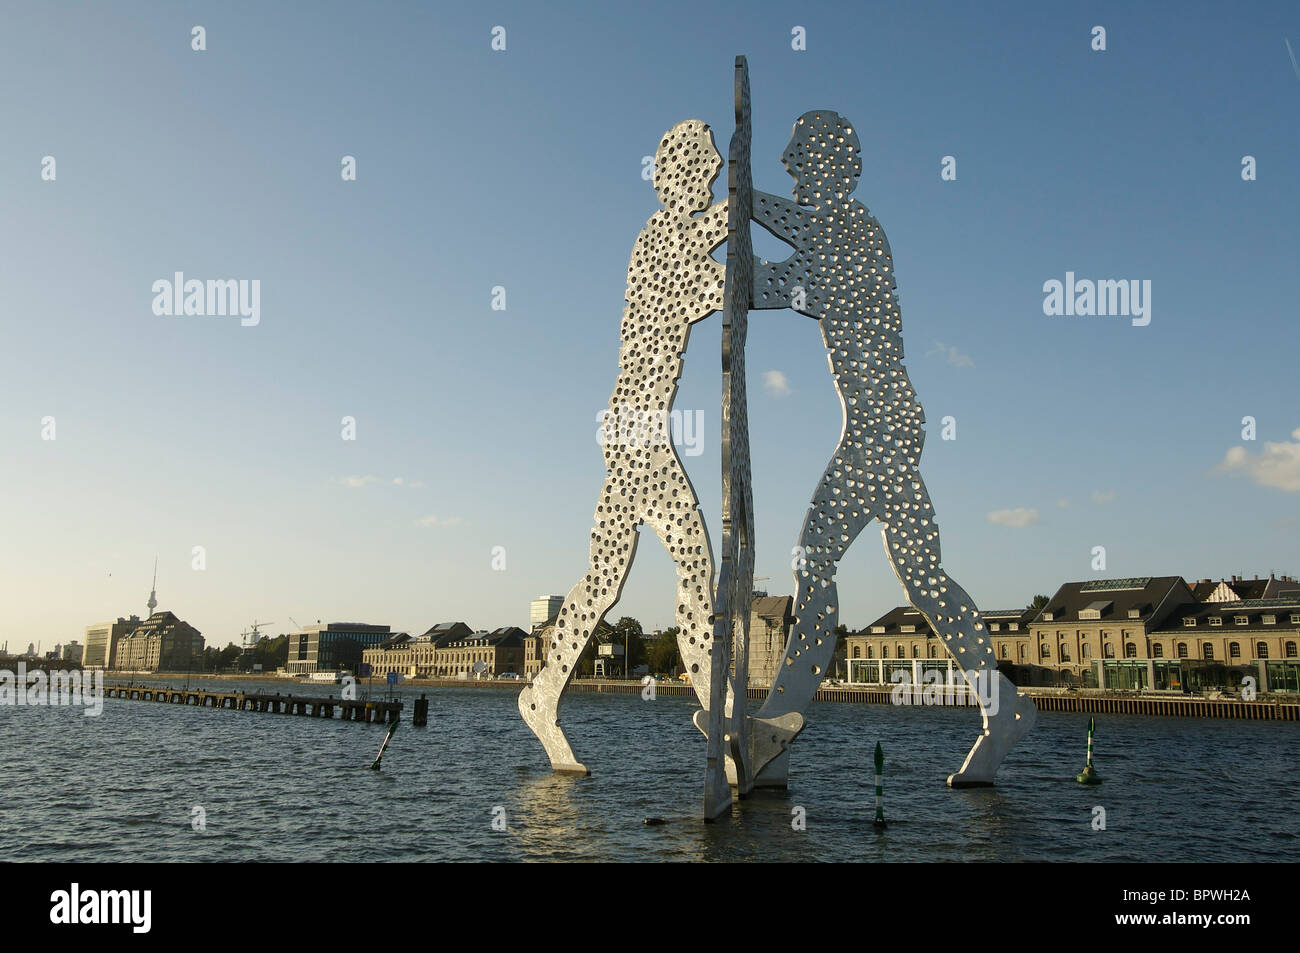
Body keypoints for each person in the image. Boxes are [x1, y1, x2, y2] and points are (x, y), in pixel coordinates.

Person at [748, 110, 1036, 787]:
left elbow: (779, 281)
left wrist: (740, 200)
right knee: (924, 577)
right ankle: (1003, 706)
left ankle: (775, 725)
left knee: (814, 560)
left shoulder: (855, 232)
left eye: (799, 156)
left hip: (880, 427)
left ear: (830, 163)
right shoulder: (834, 234)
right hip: (888, 424)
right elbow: (774, 277)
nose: (789, 165)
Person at [518, 120, 729, 776]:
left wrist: (746, 225)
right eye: (706, 166)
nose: (715, 173)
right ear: (674, 176)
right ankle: (722, 728)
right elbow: (714, 285)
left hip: (634, 428)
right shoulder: (661, 235)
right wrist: (758, 237)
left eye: (720, 167)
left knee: (606, 578)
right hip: (638, 431)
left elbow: (721, 258)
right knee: (694, 567)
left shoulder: (676, 234)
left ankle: (544, 694)